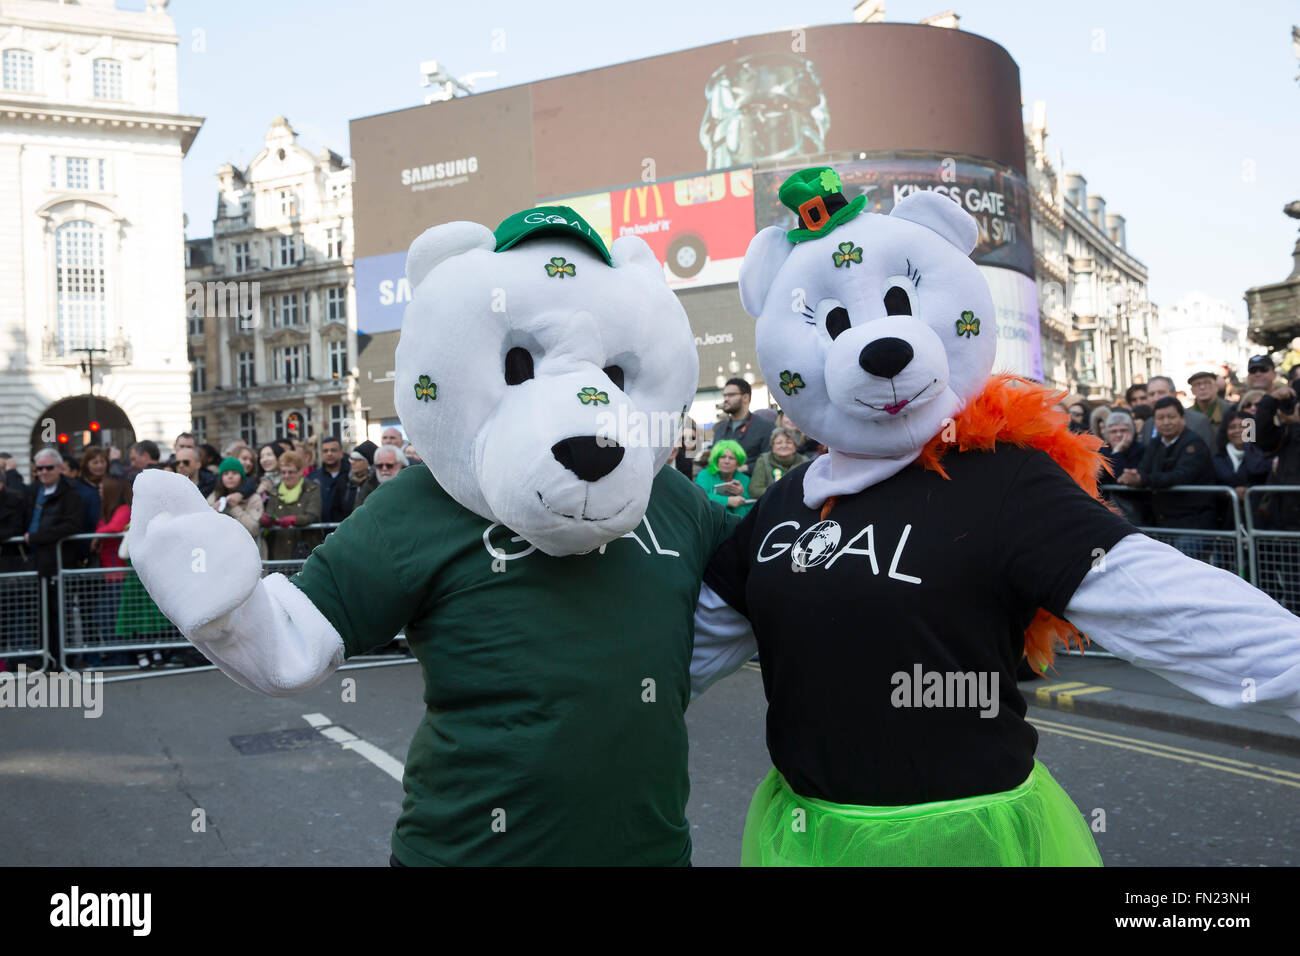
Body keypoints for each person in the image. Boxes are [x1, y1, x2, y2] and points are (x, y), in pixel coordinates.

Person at [1119, 397, 1218, 559]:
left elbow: (1180, 476)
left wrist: (1142, 480)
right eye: (1160, 418)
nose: (1166, 422)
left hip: (1192, 524)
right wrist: (1133, 475)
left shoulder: (1194, 444)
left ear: (1182, 418)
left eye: (1171, 417)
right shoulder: (1155, 443)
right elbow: (1144, 469)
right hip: (1163, 523)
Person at [23, 448, 84, 666]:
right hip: (33, 561)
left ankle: (60, 659)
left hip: (58, 562)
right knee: (36, 613)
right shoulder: (32, 491)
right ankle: (41, 658)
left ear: (59, 468)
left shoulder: (71, 492)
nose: (44, 472)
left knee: (59, 613)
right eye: (39, 468)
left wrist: (39, 537)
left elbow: (72, 524)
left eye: (49, 467)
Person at [259, 449, 322, 560]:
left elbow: (313, 514)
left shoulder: (311, 489)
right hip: (279, 549)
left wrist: (295, 520)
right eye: (283, 472)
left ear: (300, 471)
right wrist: (266, 519)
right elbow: (270, 513)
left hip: (304, 549)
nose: (286, 476)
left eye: (291, 472)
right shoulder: (275, 491)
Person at [715, 378, 774, 472]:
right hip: (720, 484)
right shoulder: (720, 428)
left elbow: (771, 461)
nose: (725, 399)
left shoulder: (765, 427)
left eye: (731, 395)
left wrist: (746, 468)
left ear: (745, 397)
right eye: (724, 395)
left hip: (752, 483)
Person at [1213, 410, 1271, 502]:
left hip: (1258, 511)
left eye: (1243, 426)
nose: (1238, 430)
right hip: (1227, 512)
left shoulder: (1265, 455)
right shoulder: (1218, 459)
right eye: (1232, 427)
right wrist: (1228, 493)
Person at [1140, 376, 1213, 445]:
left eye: (1161, 393)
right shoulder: (1148, 424)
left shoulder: (1198, 421)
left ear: (1174, 394)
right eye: (1151, 394)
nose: (1156, 398)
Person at [207, 458, 263, 539]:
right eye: (226, 473)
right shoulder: (214, 496)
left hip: (246, 546)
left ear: (241, 477)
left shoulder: (254, 498)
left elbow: (253, 529)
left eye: (235, 473)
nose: (230, 476)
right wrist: (212, 512)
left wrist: (235, 508)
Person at [695, 439, 751, 516]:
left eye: (731, 458)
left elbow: (748, 510)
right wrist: (727, 501)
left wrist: (740, 495)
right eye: (722, 457)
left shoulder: (744, 479)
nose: (726, 461)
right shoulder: (704, 475)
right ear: (716, 459)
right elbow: (699, 497)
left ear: (738, 462)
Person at [749, 428, 807, 499]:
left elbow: (809, 488)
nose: (784, 446)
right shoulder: (763, 460)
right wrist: (783, 493)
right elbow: (755, 490)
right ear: (772, 446)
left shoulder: (804, 461)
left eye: (788, 442)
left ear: (795, 446)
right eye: (779, 443)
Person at [307, 435, 351, 523]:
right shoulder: (312, 477)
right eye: (325, 451)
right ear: (321, 454)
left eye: (333, 450)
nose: (329, 454)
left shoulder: (350, 476)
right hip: (320, 530)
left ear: (341, 453)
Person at [346, 444, 380, 510]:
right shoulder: (347, 481)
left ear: (369, 463)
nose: (352, 462)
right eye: (351, 459)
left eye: (358, 460)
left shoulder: (374, 483)